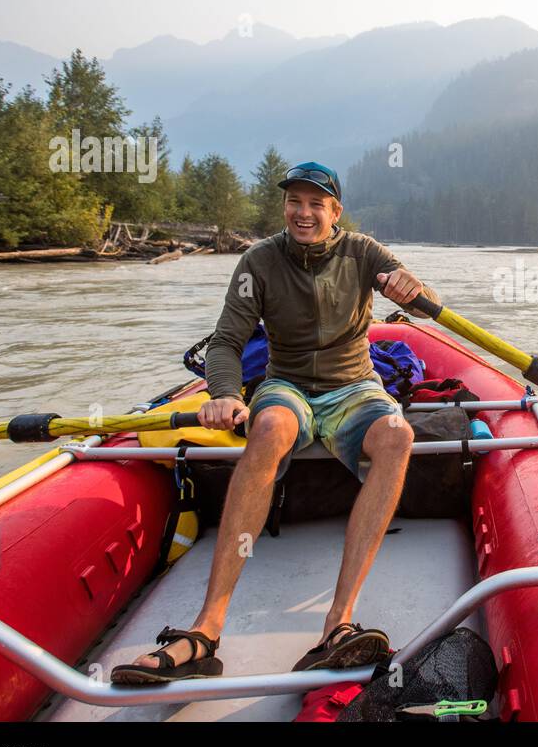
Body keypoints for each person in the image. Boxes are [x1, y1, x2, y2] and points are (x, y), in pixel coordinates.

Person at [111, 161, 438, 683]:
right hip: (286, 384)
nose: (303, 213)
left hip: (355, 387)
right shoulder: (258, 261)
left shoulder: (364, 251)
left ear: (336, 212)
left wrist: (414, 289)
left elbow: (428, 308)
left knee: (398, 435)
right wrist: (221, 392)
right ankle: (206, 631)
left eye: (316, 204)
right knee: (268, 430)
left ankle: (339, 621)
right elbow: (226, 342)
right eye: (295, 202)